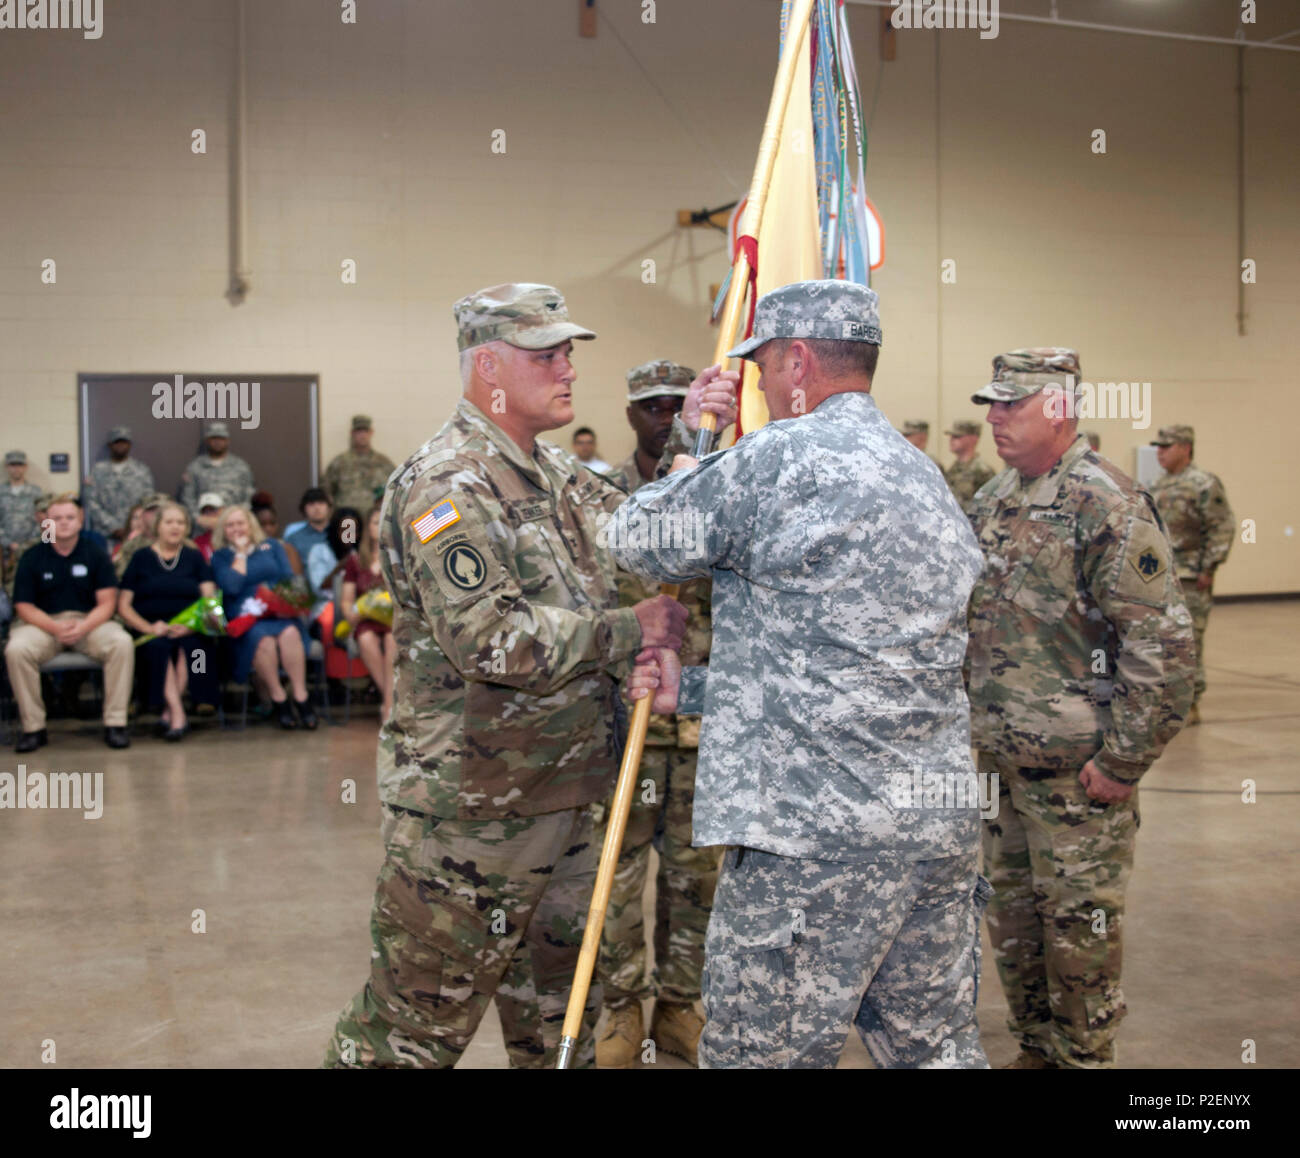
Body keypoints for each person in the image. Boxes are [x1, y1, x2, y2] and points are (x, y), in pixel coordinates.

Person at [322, 281, 734, 1070]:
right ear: (489, 367)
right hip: (472, 822)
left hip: (571, 800)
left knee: (559, 1033)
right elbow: (490, 641)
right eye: (546, 355)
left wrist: (698, 432)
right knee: (409, 1035)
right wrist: (628, 629)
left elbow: (647, 528)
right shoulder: (450, 483)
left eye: (570, 352)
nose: (569, 369)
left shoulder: (552, 472)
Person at [614, 280, 990, 1070]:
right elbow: (861, 664)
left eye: (760, 369)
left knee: (763, 1058)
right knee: (936, 1054)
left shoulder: (781, 459)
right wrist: (702, 690)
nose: (758, 386)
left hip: (811, 846)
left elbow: (640, 537)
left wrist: (698, 438)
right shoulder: (926, 480)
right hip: (933, 832)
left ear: (797, 359)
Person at [965, 348, 1195, 1070]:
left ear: (1060, 411)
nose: (995, 418)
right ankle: (1037, 1050)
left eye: (1012, 405)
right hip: (1001, 767)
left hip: (1077, 777)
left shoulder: (1108, 503)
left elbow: (1163, 647)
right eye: (992, 404)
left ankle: (1084, 1059)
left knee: (1078, 932)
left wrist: (1123, 761)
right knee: (1015, 925)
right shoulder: (996, 497)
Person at [595, 359, 720, 1069]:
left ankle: (678, 1005)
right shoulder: (603, 494)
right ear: (631, 413)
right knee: (616, 874)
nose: (665, 415)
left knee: (694, 875)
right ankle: (620, 1009)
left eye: (678, 404)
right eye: (651, 404)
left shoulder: (716, 485)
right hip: (626, 716)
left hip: (699, 715)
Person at [5, 494, 133, 751]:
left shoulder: (95, 554)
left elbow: (107, 602)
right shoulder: (32, 557)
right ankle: (34, 729)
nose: (63, 523)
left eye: (69, 517)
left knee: (122, 642)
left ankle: (115, 724)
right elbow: (23, 606)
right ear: (46, 522)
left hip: (90, 623)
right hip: (43, 626)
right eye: (57, 518)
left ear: (80, 520)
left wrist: (82, 627)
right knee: (16, 649)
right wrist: (55, 628)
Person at [1148, 425, 1234, 727]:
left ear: (1185, 448)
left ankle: (1191, 703)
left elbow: (1221, 526)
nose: (1160, 452)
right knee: (1161, 642)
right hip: (1161, 578)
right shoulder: (1157, 485)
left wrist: (1209, 567)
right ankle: (1167, 702)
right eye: (1158, 446)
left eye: (1166, 446)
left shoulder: (1203, 483)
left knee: (1190, 641)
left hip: (1191, 576)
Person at [117, 501, 219, 740]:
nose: (175, 527)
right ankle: (177, 712)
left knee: (195, 651)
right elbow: (123, 606)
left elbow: (210, 601)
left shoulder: (194, 558)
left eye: (181, 522)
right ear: (157, 527)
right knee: (158, 649)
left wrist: (191, 626)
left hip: (191, 629)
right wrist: (149, 627)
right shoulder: (141, 557)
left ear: (186, 528)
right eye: (169, 522)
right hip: (151, 629)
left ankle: (171, 711)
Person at [211, 504, 317, 730]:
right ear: (224, 530)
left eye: (240, 523)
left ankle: (300, 696)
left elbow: (288, 579)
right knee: (263, 640)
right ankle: (278, 698)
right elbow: (230, 586)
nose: (236, 528)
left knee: (289, 633)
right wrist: (240, 554)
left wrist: (282, 601)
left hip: (277, 611)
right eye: (230, 525)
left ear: (250, 525)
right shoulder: (220, 556)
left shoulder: (272, 546)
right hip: (245, 618)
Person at [340, 506, 395, 720]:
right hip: (365, 620)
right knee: (364, 637)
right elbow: (346, 600)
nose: (379, 525)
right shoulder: (355, 561)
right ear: (367, 528)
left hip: (393, 621)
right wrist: (352, 614)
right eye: (374, 522)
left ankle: (388, 706)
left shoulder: (396, 558)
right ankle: (391, 701)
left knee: (392, 639)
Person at [84, 425, 156, 541]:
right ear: (110, 445)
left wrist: (134, 525)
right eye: (117, 442)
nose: (121, 446)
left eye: (124, 442)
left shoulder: (141, 470)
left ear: (130, 445)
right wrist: (113, 527)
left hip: (137, 533)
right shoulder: (97, 471)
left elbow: (148, 501)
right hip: (105, 534)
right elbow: (91, 502)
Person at [324, 415, 396, 515]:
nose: (362, 435)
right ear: (352, 433)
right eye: (359, 431)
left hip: (374, 521)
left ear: (371, 433)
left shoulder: (384, 463)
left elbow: (395, 490)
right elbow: (326, 492)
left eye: (365, 431)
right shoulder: (339, 463)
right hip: (347, 520)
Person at [179, 421, 255, 517]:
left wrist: (238, 517)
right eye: (214, 438)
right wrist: (199, 520)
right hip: (203, 525)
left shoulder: (240, 467)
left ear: (227, 440)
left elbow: (249, 496)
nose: (217, 442)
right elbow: (187, 498)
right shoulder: (195, 467)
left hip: (234, 523)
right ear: (207, 440)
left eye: (221, 438)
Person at [942, 419, 996, 514]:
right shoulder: (953, 468)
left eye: (957, 436)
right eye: (951, 436)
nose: (951, 440)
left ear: (973, 439)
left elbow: (990, 506)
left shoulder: (982, 471)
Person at [114, 492, 171, 579]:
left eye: (163, 510)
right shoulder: (131, 546)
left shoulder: (182, 545)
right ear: (143, 515)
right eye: (151, 510)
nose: (157, 514)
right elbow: (121, 576)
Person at [2, 449, 42, 554]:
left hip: (31, 548)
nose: (16, 469)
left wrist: (28, 544)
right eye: (12, 465)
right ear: (7, 467)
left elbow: (42, 519)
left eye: (19, 465)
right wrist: (8, 543)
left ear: (25, 467)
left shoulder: (36, 492)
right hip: (4, 551)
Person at [251, 493, 302, 574]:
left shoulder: (287, 549)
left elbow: (296, 579)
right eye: (262, 524)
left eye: (272, 523)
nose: (268, 528)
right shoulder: (246, 550)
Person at [283, 487, 333, 562]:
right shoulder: (294, 539)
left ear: (329, 507)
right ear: (304, 509)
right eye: (311, 504)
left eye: (321, 503)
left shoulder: (339, 535)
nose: (317, 508)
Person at [192, 492, 224, 562]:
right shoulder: (198, 542)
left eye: (214, 510)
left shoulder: (232, 536)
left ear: (223, 510)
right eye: (205, 511)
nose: (210, 514)